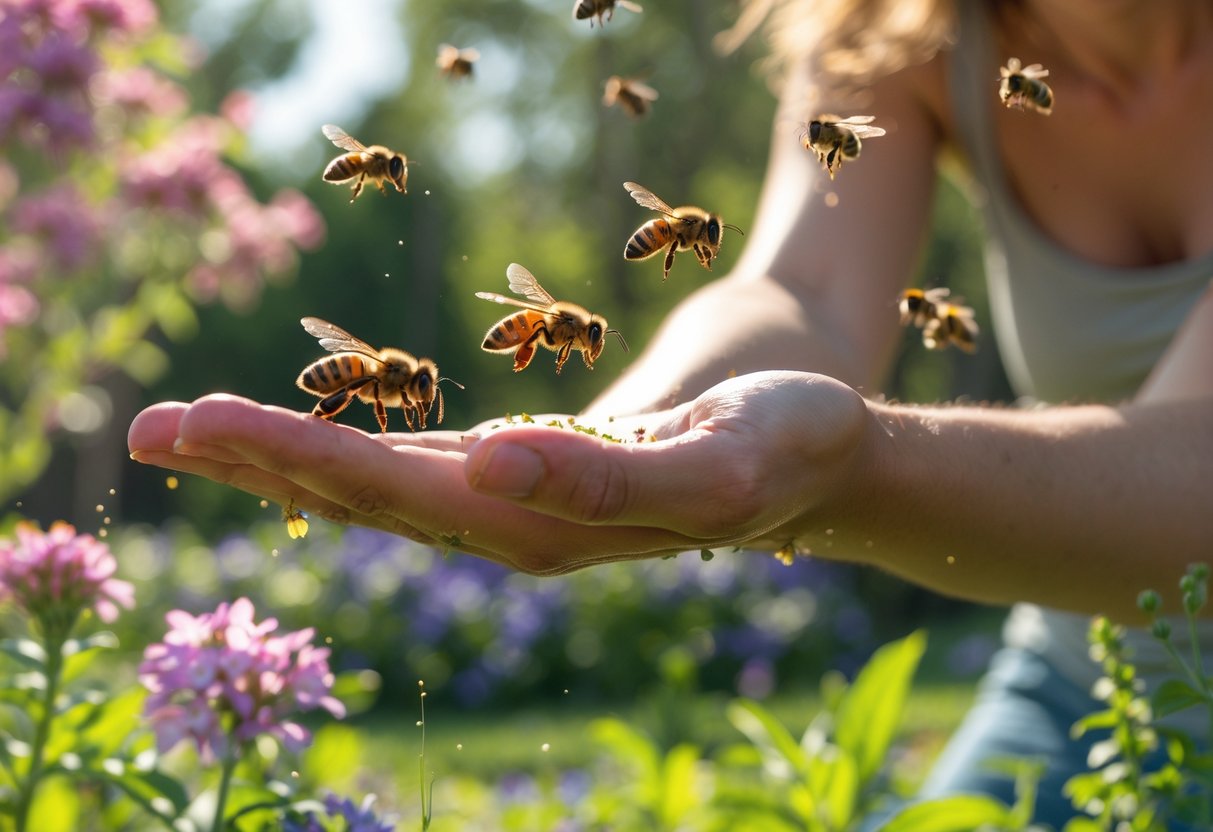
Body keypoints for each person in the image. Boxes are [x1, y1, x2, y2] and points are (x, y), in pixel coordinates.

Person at [128, 0, 1212, 824]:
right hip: (1088, 682)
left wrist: (857, 466)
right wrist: (609, 439)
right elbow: (807, 297)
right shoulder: (899, 28)